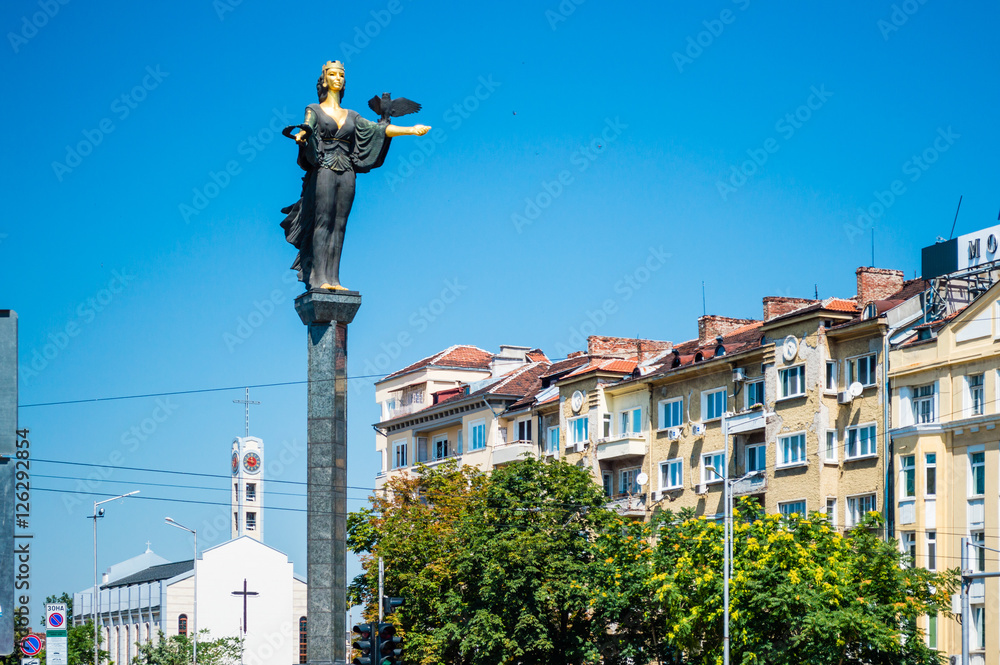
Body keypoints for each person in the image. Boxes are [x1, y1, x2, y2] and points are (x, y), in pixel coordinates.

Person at [281, 60, 430, 290]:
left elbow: (378, 129)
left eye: (341, 75)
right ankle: (319, 278)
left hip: (347, 171)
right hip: (325, 168)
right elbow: (307, 126)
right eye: (332, 74)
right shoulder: (314, 109)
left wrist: (410, 130)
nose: (338, 78)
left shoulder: (352, 115)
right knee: (323, 222)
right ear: (324, 80)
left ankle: (334, 279)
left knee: (340, 225)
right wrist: (302, 134)